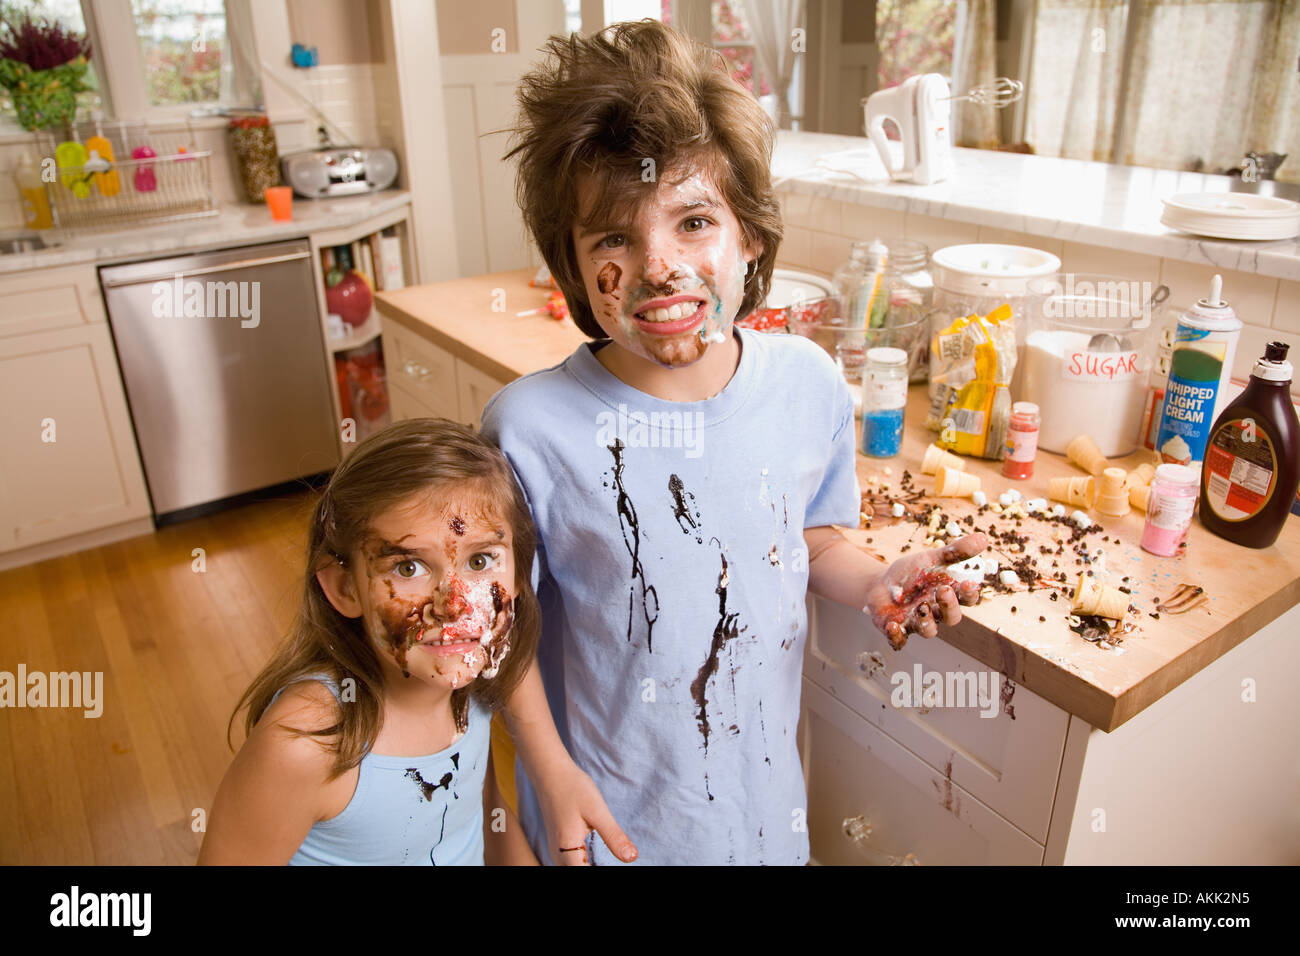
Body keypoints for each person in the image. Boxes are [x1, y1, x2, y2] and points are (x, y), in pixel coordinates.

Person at [483, 19, 988, 865]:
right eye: (613, 236)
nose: (658, 266)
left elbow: (810, 538)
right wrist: (544, 779)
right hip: (604, 827)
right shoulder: (530, 430)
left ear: (748, 234)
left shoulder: (809, 384)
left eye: (692, 222)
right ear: (571, 265)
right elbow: (504, 630)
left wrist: (877, 581)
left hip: (759, 819)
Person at [198, 419, 542, 865]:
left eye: (480, 560)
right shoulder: (307, 744)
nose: (455, 606)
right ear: (345, 587)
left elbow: (487, 816)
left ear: (517, 573)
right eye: (408, 568)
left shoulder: (467, 685)